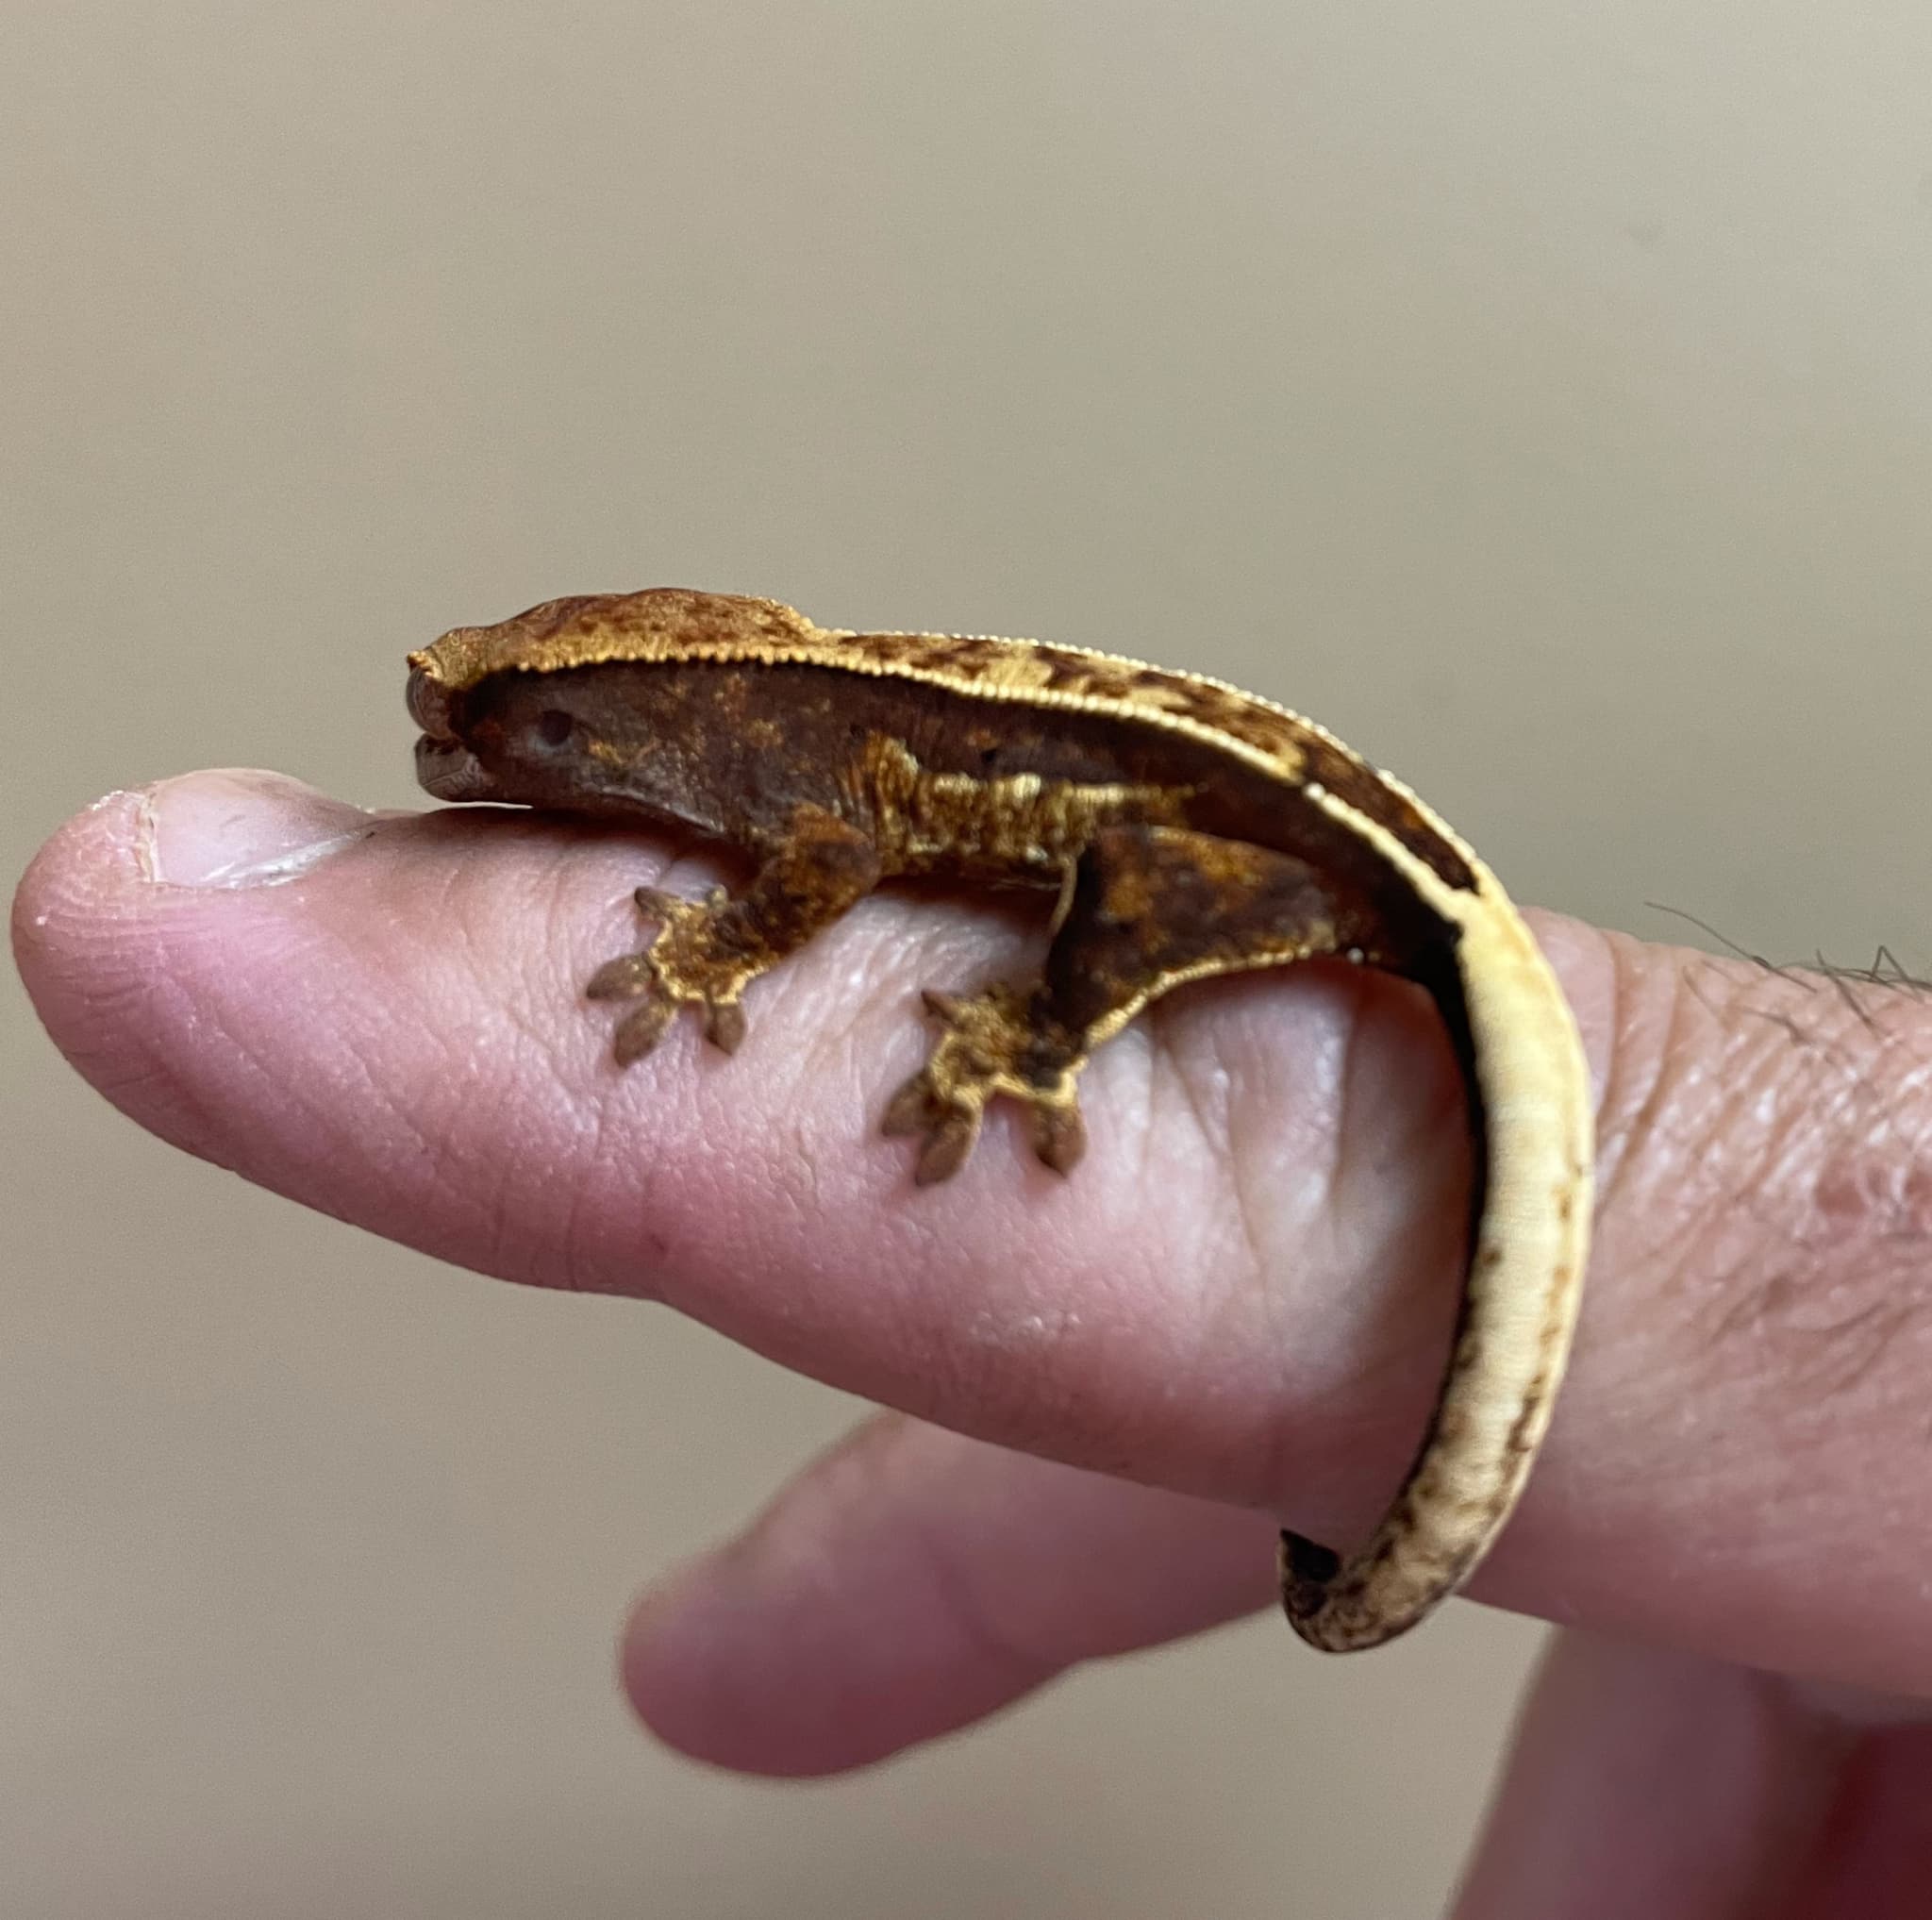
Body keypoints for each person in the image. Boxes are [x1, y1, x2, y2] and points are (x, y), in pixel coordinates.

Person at [15, 767, 1931, 1915]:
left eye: (515, 729)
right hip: (1310, 869)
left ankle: (1046, 1034)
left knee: (1111, 1011)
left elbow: (827, 854)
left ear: (660, 712)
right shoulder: (818, 738)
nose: (453, 757)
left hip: (1288, 873)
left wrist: (774, 968)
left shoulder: (815, 769)